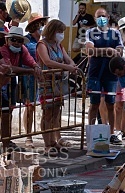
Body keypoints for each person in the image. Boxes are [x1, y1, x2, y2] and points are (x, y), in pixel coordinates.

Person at [37, 19, 78, 155]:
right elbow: (47, 61)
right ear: (52, 31)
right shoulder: (42, 44)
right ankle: (47, 143)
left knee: (56, 112)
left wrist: (72, 65)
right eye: (59, 32)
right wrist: (66, 67)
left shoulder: (58, 45)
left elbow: (68, 58)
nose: (61, 34)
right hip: (47, 83)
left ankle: (54, 140)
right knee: (47, 113)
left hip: (59, 84)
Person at [0, 26, 43, 151]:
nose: (17, 43)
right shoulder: (3, 50)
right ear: (7, 40)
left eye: (20, 40)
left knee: (8, 113)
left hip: (9, 83)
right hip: (3, 83)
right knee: (4, 113)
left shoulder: (22, 49)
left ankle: (7, 141)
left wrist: (35, 67)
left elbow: (29, 60)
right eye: (14, 40)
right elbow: (9, 68)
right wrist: (30, 71)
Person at [85, 8, 123, 144]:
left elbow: (119, 52)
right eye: (98, 16)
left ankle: (111, 133)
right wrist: (107, 50)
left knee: (110, 104)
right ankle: (90, 132)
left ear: (108, 17)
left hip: (111, 75)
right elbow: (89, 50)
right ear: (95, 19)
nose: (101, 18)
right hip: (95, 73)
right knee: (94, 104)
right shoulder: (91, 32)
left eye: (103, 16)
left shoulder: (115, 33)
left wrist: (99, 52)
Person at [23, 12, 47, 148]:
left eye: (43, 24)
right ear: (34, 27)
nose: (42, 27)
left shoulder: (44, 42)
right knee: (30, 106)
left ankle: (48, 137)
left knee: (47, 107)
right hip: (30, 79)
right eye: (40, 25)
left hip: (44, 78)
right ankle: (28, 136)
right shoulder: (26, 42)